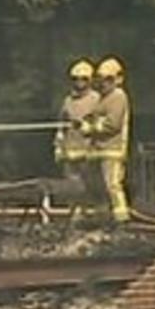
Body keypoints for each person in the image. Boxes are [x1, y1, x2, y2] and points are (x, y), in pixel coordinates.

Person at [82, 57, 132, 229]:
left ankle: (121, 220)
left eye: (108, 79)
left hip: (113, 149)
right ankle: (103, 218)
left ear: (118, 78)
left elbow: (112, 124)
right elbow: (95, 117)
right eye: (101, 78)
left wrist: (90, 128)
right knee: (99, 187)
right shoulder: (102, 98)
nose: (104, 83)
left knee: (113, 185)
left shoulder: (118, 96)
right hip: (98, 150)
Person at [53, 59, 101, 226]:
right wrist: (58, 146)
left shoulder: (97, 100)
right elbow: (61, 125)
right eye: (76, 79)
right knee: (72, 186)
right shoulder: (68, 101)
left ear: (90, 80)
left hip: (89, 151)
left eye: (83, 79)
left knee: (90, 185)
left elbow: (104, 124)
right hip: (70, 151)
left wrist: (89, 127)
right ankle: (75, 215)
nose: (79, 83)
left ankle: (93, 216)